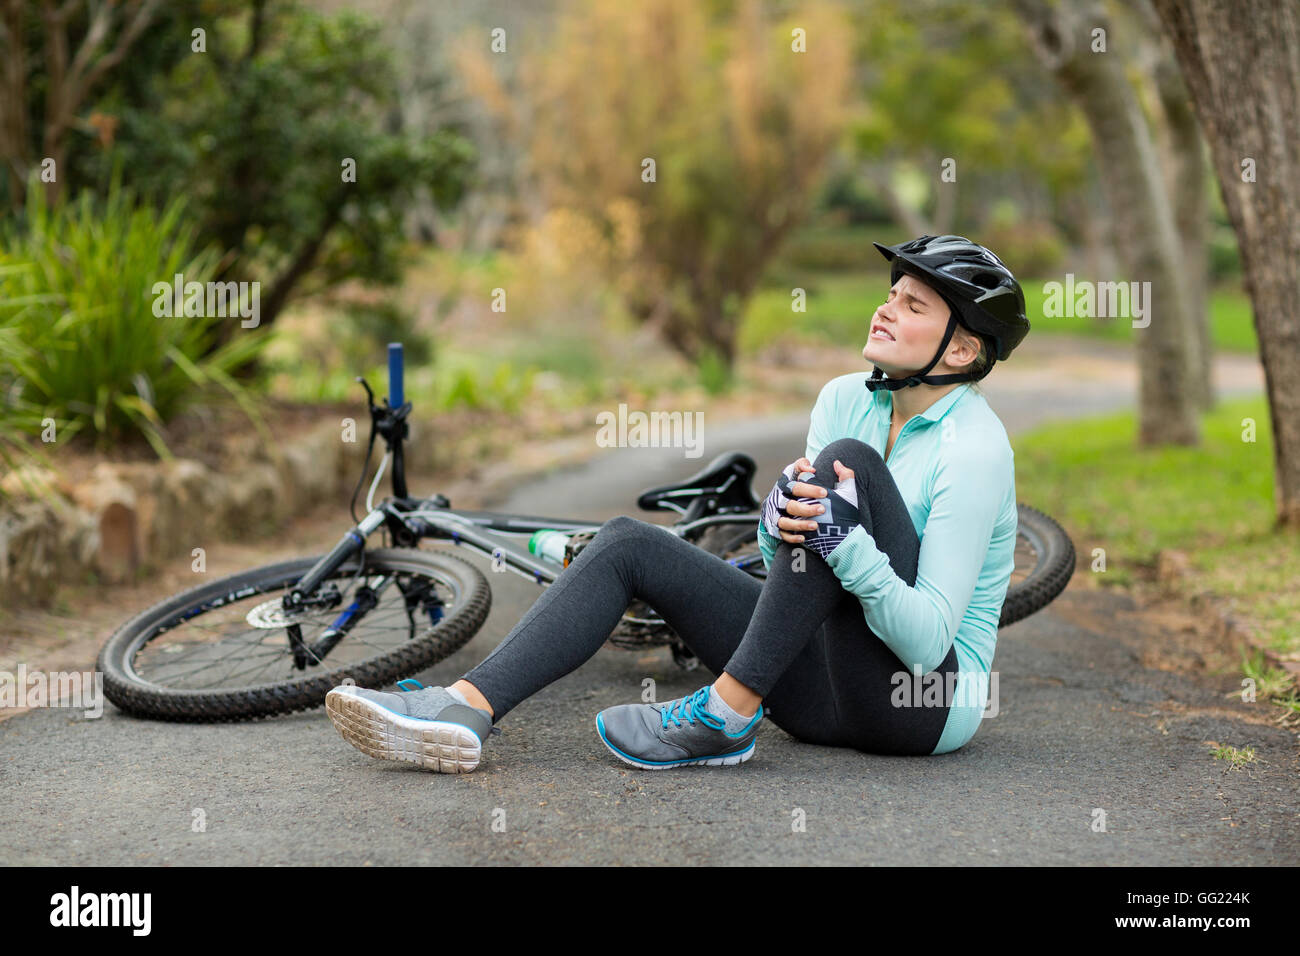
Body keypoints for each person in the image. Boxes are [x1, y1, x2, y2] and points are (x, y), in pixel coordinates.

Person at [324, 234, 1030, 773]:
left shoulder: (976, 449)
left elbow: (928, 644)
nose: (886, 308)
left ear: (963, 349)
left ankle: (725, 714)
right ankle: (465, 709)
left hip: (915, 710)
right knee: (630, 542)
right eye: (892, 293)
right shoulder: (845, 397)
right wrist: (775, 519)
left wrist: (846, 543)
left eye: (914, 305)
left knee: (849, 469)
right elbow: (792, 561)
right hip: (816, 697)